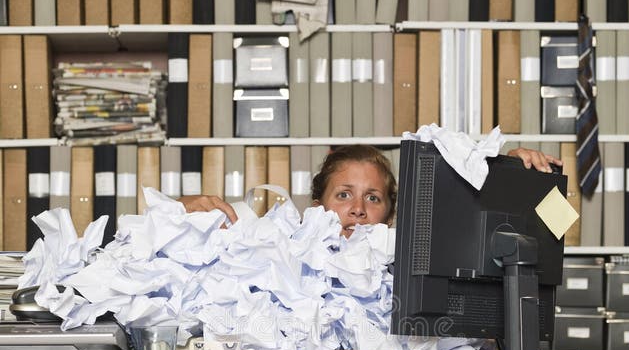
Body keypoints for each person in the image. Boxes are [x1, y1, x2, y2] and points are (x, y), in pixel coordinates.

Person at [179, 143, 562, 236]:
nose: (358, 208)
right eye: (343, 195)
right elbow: (154, 229)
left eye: (373, 198)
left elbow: (476, 235)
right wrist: (185, 206)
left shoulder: (402, 272)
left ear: (391, 216)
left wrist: (511, 172)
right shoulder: (285, 250)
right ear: (316, 207)